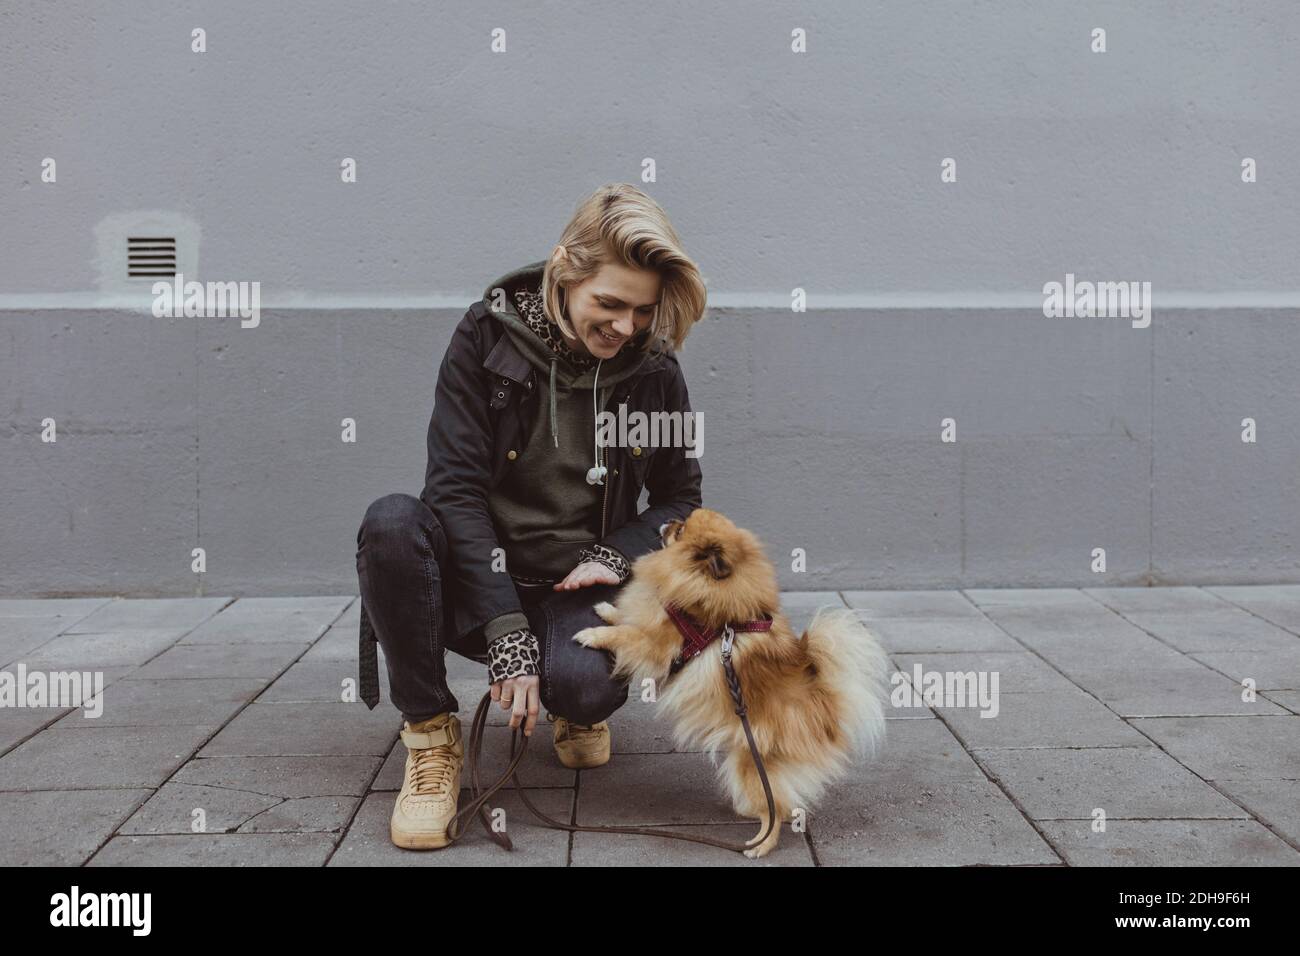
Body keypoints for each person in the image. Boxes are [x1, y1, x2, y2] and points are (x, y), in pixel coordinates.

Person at [355, 182, 707, 849]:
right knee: (391, 523)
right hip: (477, 580)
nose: (625, 327)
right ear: (563, 269)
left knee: (585, 690)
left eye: (642, 310)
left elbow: (678, 498)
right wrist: (506, 633)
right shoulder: (487, 339)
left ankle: (572, 703)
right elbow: (453, 489)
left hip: (579, 586)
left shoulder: (654, 370)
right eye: (609, 303)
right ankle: (430, 738)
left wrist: (614, 554)